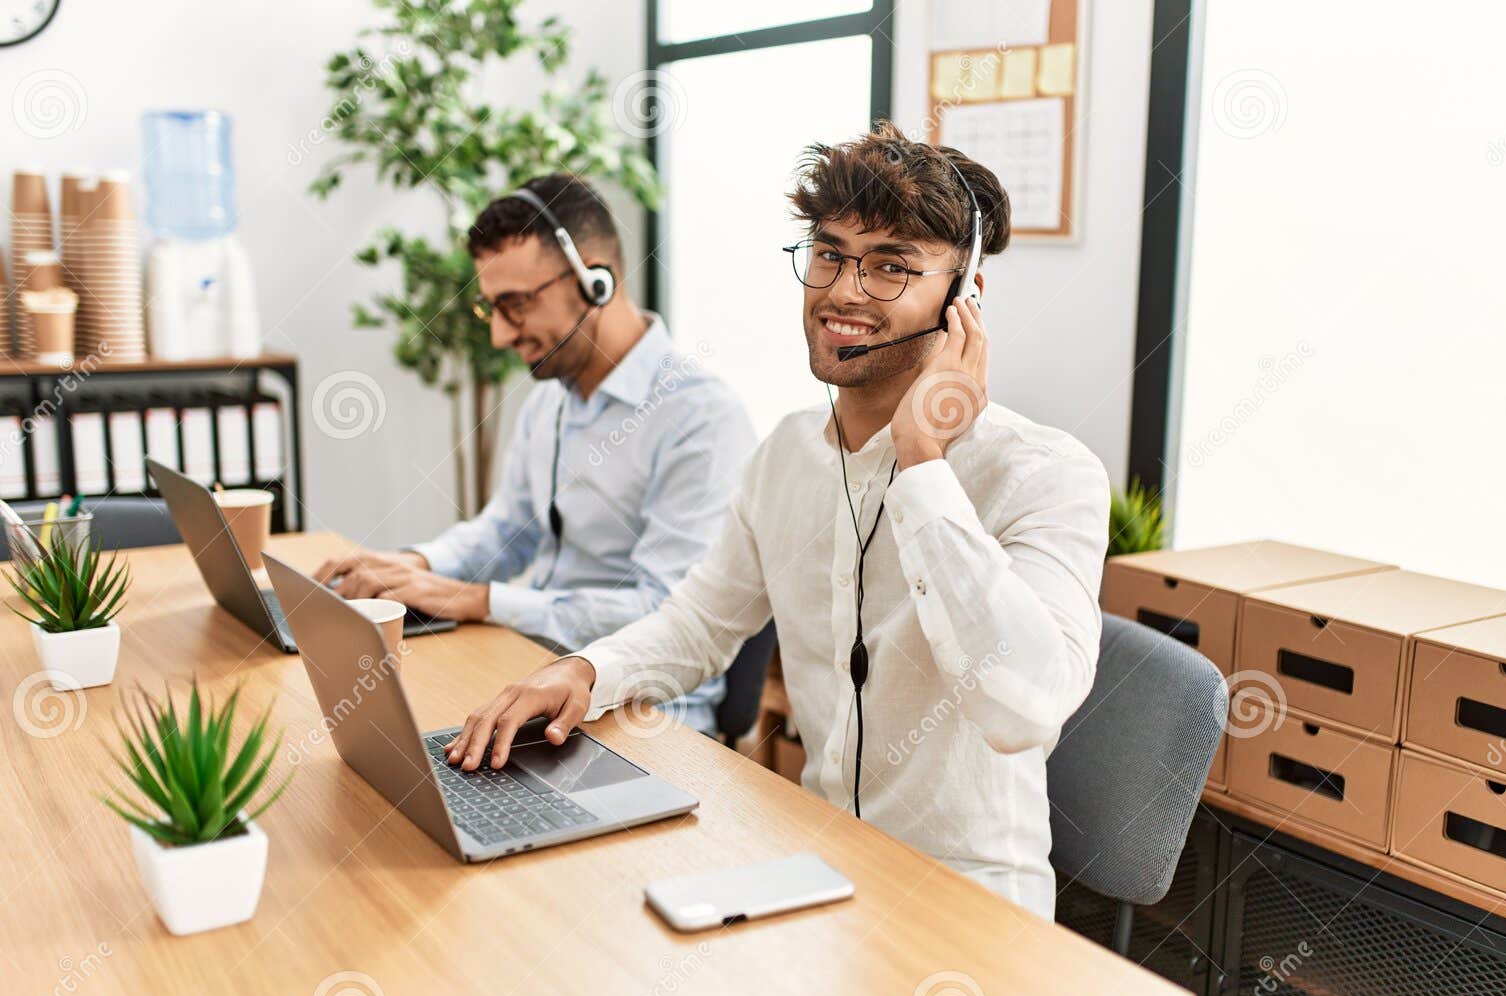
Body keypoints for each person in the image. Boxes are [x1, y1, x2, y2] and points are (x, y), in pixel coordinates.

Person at [448, 124, 1110, 920]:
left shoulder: (1046, 473)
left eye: (892, 266)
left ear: (964, 299)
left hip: (970, 897)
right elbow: (697, 623)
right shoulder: (787, 456)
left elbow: (1024, 708)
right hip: (815, 864)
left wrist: (924, 460)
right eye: (829, 254)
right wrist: (583, 674)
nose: (843, 291)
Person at [315, 173, 755, 736]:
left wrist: (480, 600)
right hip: (533, 670)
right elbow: (507, 529)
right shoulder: (551, 401)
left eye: (516, 304)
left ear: (596, 279)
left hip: (643, 714)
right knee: (379, 734)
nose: (500, 334)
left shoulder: (701, 419)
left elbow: (664, 616)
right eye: (491, 309)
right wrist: (415, 565)